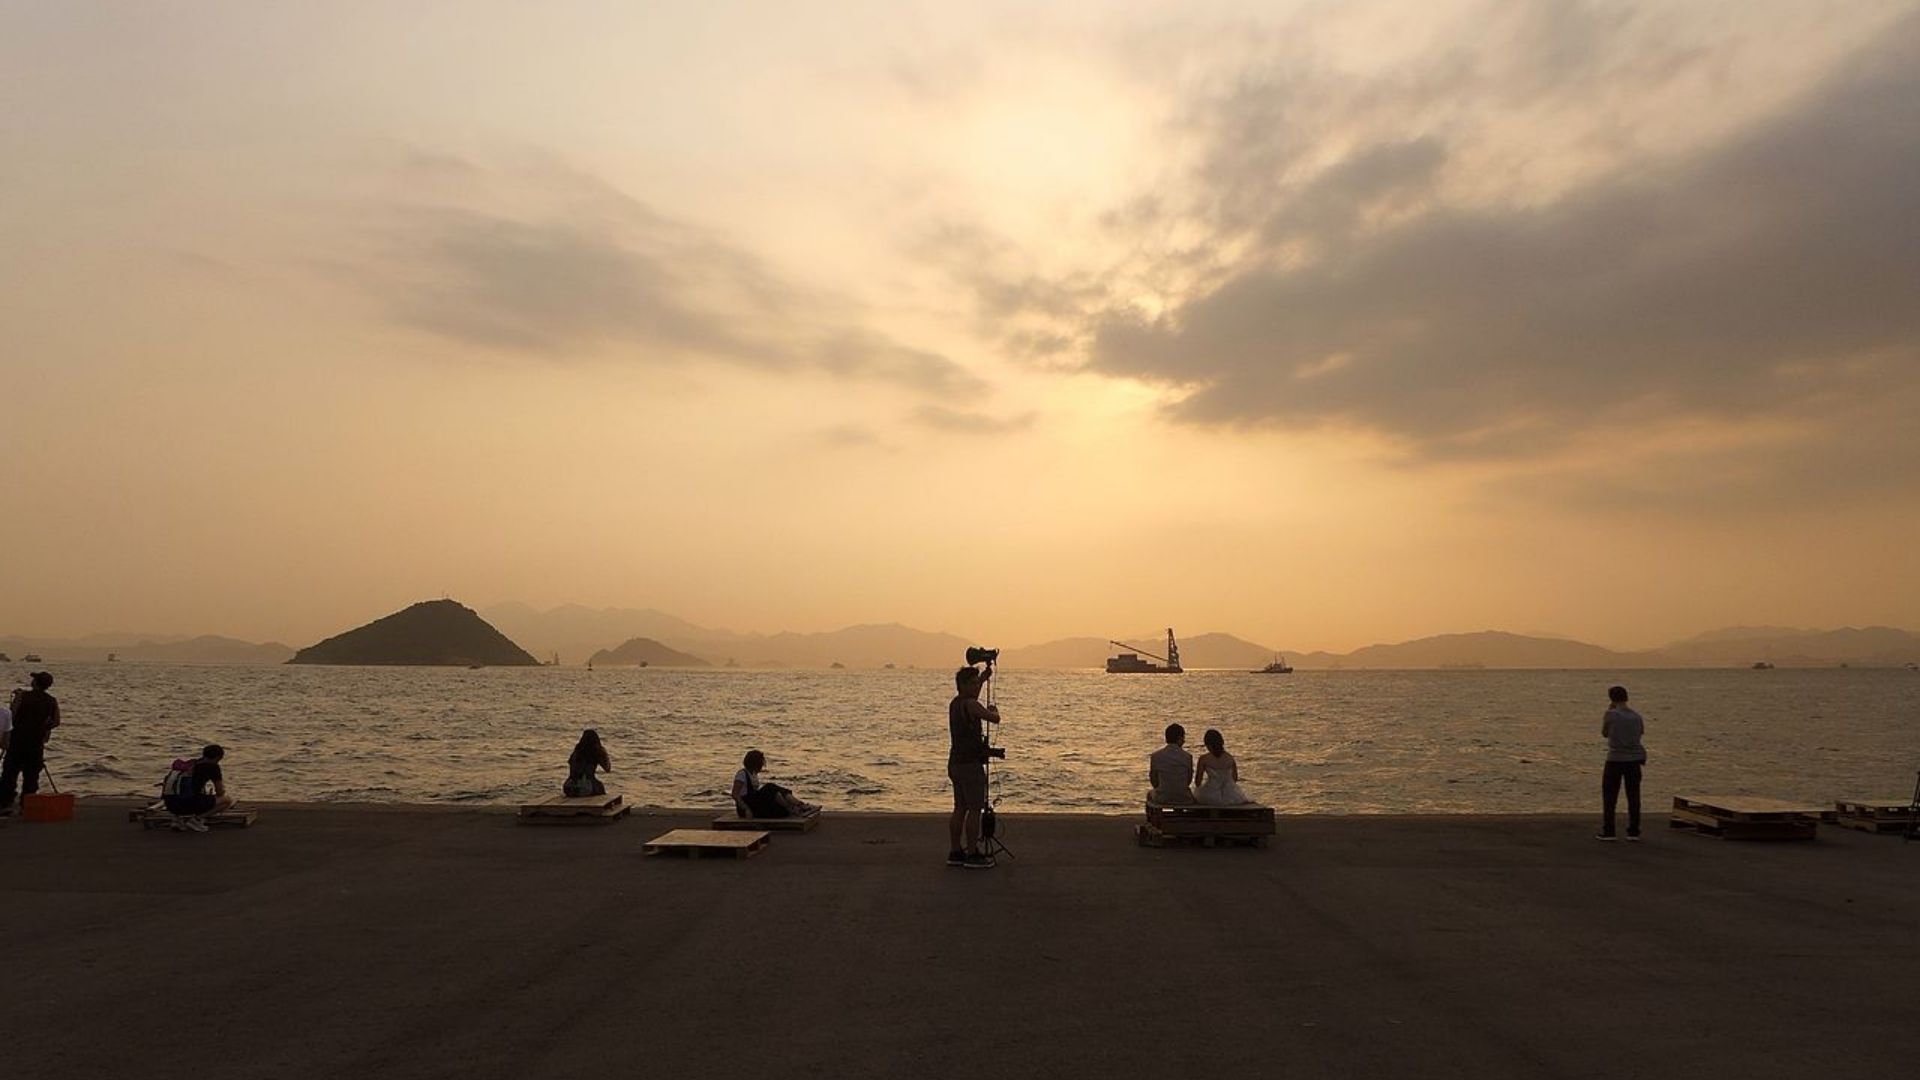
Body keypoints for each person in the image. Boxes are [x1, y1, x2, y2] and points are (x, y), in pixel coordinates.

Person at [946, 664, 1000, 868]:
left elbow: (974, 690)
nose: (977, 687)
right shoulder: (971, 704)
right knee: (975, 809)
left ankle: (955, 851)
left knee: (960, 807)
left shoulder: (955, 703)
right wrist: (994, 709)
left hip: (955, 763)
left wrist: (984, 677)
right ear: (964, 685)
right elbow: (994, 719)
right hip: (970, 765)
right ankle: (972, 853)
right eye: (974, 683)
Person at [0, 671, 59, 816]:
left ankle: (5, 803)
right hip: (36, 743)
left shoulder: (22, 697)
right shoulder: (52, 701)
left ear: (35, 683)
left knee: (9, 774)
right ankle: (27, 805)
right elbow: (56, 721)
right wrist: (43, 728)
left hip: (17, 742)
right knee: (32, 776)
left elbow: (11, 715)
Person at [1598, 685, 1646, 841]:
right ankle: (1633, 831)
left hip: (1616, 758)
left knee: (1610, 795)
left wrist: (1610, 710)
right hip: (1634, 759)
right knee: (1633, 795)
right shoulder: (1637, 716)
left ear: (1611, 698)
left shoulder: (1611, 714)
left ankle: (1609, 830)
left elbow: (1605, 733)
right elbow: (1640, 733)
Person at [162, 744, 233, 831]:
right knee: (227, 801)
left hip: (170, 805)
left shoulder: (192, 764)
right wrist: (219, 793)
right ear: (218, 758)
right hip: (188, 805)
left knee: (188, 795)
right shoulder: (213, 767)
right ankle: (197, 820)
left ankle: (178, 819)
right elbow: (220, 791)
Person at [730, 749, 817, 818]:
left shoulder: (753, 775)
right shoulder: (742, 774)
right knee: (770, 786)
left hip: (755, 803)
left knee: (782, 811)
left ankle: (796, 807)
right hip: (746, 806)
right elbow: (735, 794)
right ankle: (799, 806)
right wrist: (746, 809)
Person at [1194, 728, 1252, 805]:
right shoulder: (1230, 758)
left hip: (1210, 792)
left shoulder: (1204, 759)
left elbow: (1198, 782)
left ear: (1208, 744)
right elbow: (1234, 779)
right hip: (1230, 794)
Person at [1148, 723, 1195, 805]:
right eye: (1183, 738)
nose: (1184, 740)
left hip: (1163, 797)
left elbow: (1154, 781)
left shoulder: (1156, 756)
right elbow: (1188, 780)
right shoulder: (1187, 756)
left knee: (1149, 794)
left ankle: (1156, 817)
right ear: (1180, 738)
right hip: (1183, 797)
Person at [564, 729, 611, 796]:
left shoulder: (577, 751)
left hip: (568, 786)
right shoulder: (596, 751)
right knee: (600, 787)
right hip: (586, 786)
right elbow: (607, 768)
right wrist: (604, 754)